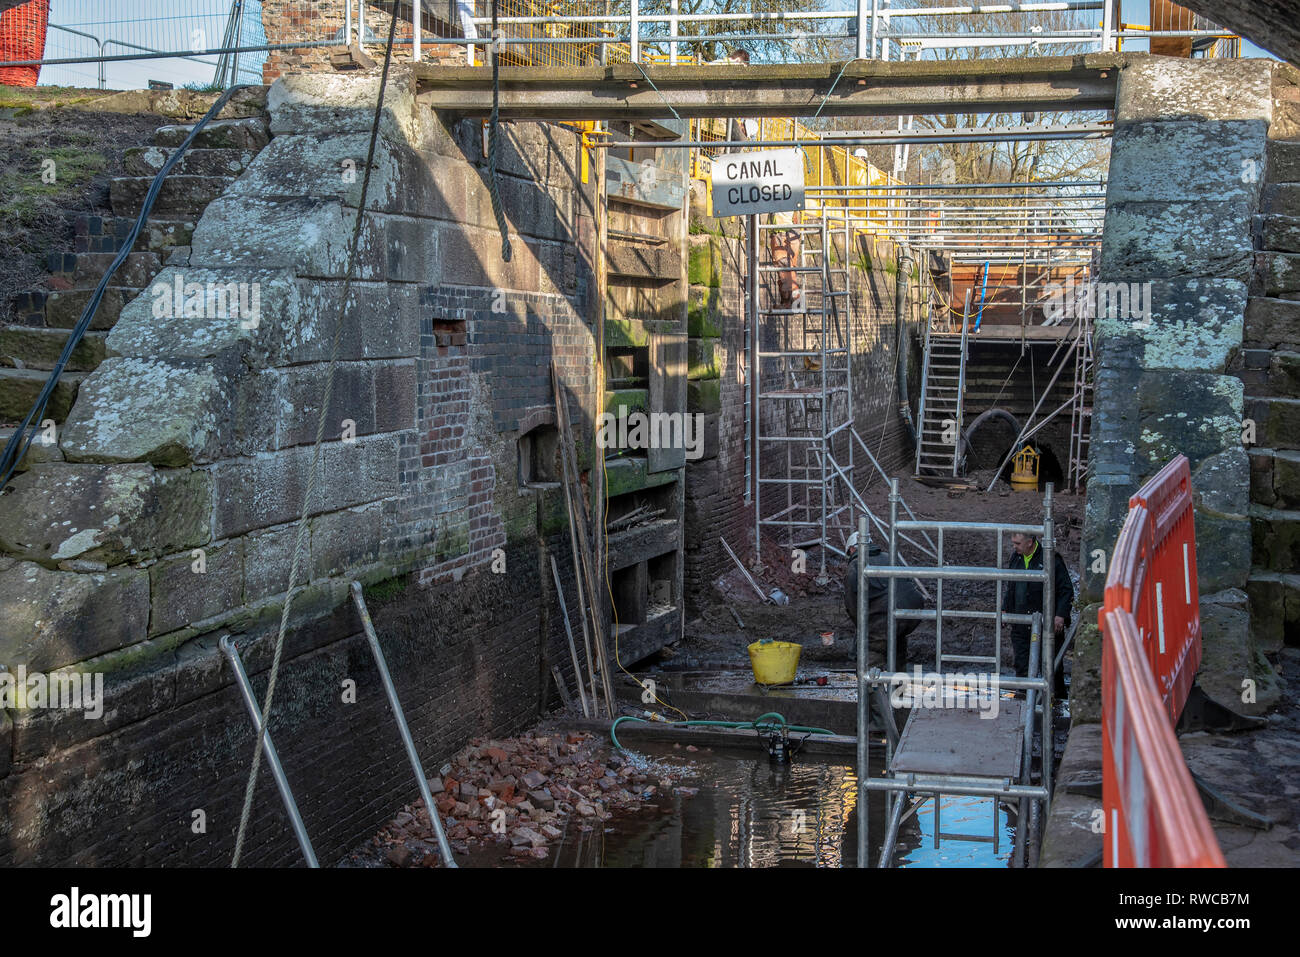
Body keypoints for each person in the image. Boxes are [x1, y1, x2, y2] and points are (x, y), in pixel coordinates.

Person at [843, 531, 923, 667]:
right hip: (913, 611)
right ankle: (898, 684)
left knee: (873, 647)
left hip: (888, 613)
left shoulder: (855, 565)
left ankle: (871, 685)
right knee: (896, 641)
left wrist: (863, 628)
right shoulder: (889, 557)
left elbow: (852, 605)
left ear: (851, 549)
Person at [1006, 531, 1073, 694]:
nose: (1014, 547)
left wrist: (1060, 615)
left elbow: (1066, 589)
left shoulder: (1051, 559)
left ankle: (1054, 704)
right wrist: (1005, 608)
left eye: (1017, 544)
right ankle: (1023, 705)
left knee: (1052, 669)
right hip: (1021, 621)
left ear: (1030, 542)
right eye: (1013, 543)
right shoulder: (1016, 557)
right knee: (1022, 666)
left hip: (1047, 623)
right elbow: (1011, 586)